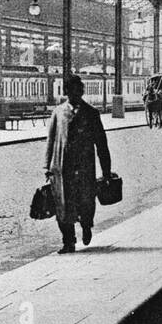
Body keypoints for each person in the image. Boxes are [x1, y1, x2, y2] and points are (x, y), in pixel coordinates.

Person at [45, 75, 113, 253]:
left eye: (79, 90)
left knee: (86, 201)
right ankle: (68, 241)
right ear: (66, 92)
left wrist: (106, 170)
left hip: (84, 167)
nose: (76, 93)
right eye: (72, 90)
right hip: (61, 167)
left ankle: (86, 225)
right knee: (62, 205)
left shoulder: (91, 113)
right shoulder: (58, 112)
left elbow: (101, 144)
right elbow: (51, 140)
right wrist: (47, 167)